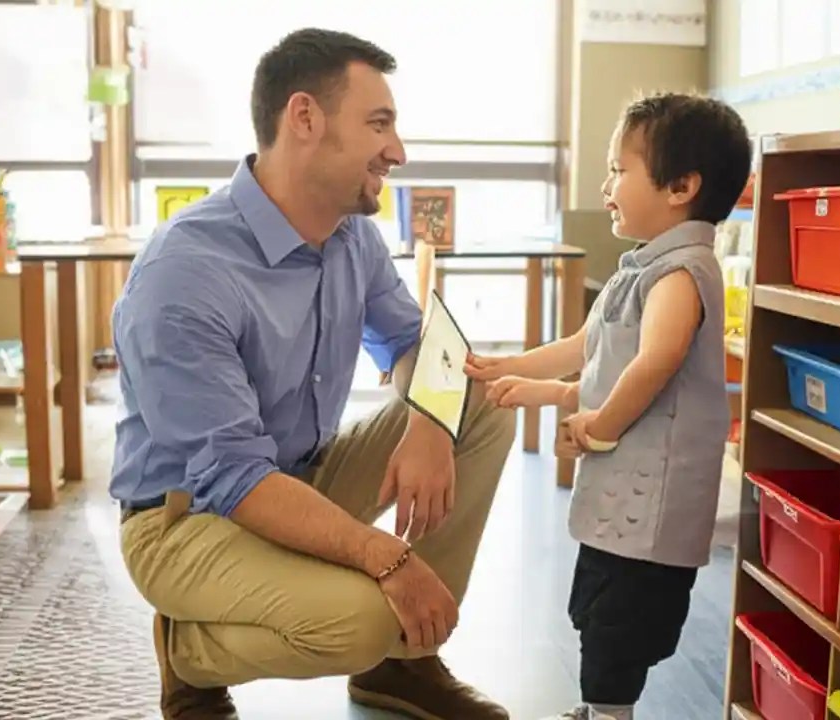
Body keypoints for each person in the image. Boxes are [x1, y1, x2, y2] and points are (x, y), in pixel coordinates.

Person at [109, 28, 515, 720]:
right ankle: (188, 655)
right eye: (378, 124)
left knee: (479, 399)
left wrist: (426, 423)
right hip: (188, 519)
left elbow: (425, 343)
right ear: (304, 118)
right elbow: (235, 477)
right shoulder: (185, 273)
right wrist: (388, 558)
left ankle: (405, 665)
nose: (398, 150)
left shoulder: (351, 234)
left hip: (299, 474)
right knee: (361, 620)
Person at [466, 92, 752, 720]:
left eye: (619, 170)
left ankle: (608, 713)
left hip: (651, 507)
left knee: (622, 624)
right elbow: (587, 348)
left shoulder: (682, 273)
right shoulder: (638, 271)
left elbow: (656, 362)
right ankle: (599, 709)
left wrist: (598, 425)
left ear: (680, 186)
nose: (607, 185)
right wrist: (511, 369)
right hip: (624, 499)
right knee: (598, 611)